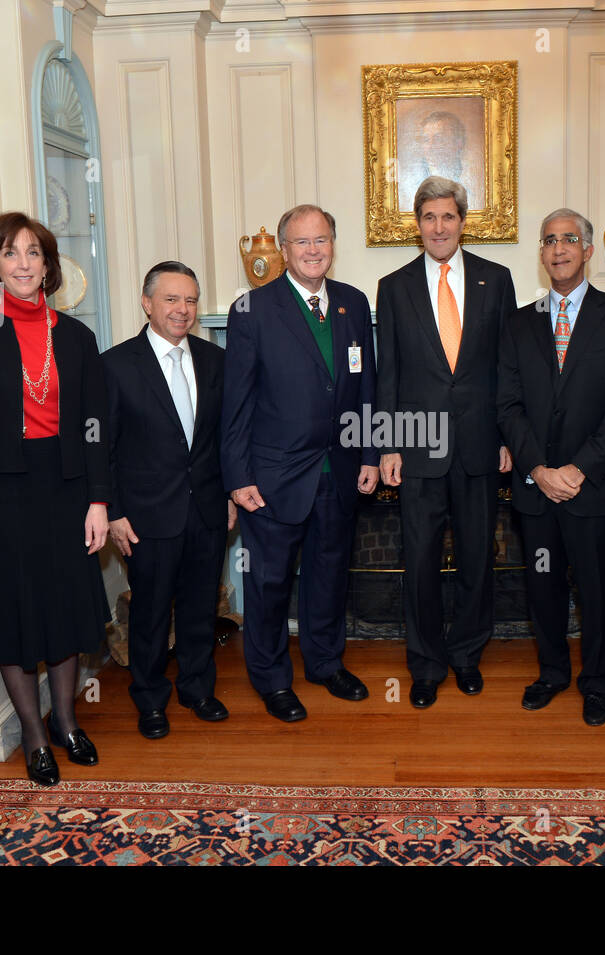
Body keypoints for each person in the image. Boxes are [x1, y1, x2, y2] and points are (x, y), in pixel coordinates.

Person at [0, 211, 110, 786]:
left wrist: (98, 501)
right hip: (2, 495)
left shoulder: (77, 336)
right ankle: (33, 735)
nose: (23, 263)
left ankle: (65, 721)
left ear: (48, 265)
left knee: (65, 608)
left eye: (33, 253)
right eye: (10, 253)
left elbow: (93, 426)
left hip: (66, 490)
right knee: (15, 615)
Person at [221, 204, 379, 722]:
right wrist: (238, 477)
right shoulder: (252, 309)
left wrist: (372, 454)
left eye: (322, 240)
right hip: (272, 478)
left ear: (334, 244)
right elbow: (237, 402)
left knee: (329, 575)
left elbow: (366, 389)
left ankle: (325, 663)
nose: (314, 250)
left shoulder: (353, 303)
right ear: (283, 250)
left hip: (341, 469)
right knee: (268, 583)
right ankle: (271, 679)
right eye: (302, 242)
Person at [497, 209, 605, 726]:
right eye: (549, 240)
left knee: (595, 588)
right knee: (543, 585)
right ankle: (552, 672)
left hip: (595, 488)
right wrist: (538, 469)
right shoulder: (518, 322)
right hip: (536, 489)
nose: (558, 249)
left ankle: (597, 682)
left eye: (569, 240)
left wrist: (578, 470)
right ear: (541, 253)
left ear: (587, 250)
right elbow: (507, 404)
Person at [375, 176, 516, 708]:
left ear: (463, 221)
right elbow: (387, 371)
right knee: (421, 562)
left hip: (480, 444)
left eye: (448, 217)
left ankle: (467, 655)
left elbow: (508, 368)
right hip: (416, 449)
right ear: (418, 226)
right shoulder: (394, 286)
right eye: (429, 218)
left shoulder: (496, 280)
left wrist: (508, 436)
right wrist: (387, 445)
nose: (439, 227)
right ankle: (427, 663)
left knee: (478, 558)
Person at [103, 262, 236, 740]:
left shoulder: (215, 360)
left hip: (206, 510)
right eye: (171, 300)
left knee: (202, 608)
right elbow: (103, 449)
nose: (183, 310)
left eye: (191, 300)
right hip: (144, 516)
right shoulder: (115, 365)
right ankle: (150, 699)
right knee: (152, 614)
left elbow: (224, 438)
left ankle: (198, 690)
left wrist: (228, 494)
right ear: (147, 303)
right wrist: (113, 511)